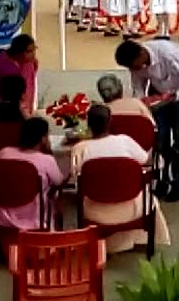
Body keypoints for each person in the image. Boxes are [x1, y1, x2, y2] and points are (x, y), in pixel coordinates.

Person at [71, 106, 171, 254]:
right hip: (130, 209)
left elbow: (78, 181)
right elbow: (145, 159)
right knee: (149, 196)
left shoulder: (81, 149)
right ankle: (142, 242)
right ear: (110, 122)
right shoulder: (124, 141)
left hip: (96, 211)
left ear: (88, 124)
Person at [114, 39, 179, 200]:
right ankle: (162, 179)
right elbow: (138, 86)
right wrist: (143, 101)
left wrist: (175, 96)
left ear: (141, 53)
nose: (136, 69)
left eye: (136, 66)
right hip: (158, 94)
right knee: (159, 137)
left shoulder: (168, 53)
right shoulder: (135, 64)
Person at [0, 117, 65, 233]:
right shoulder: (46, 160)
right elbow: (58, 181)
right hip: (32, 217)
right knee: (53, 192)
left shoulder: (3, 152)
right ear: (43, 138)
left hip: (0, 214)